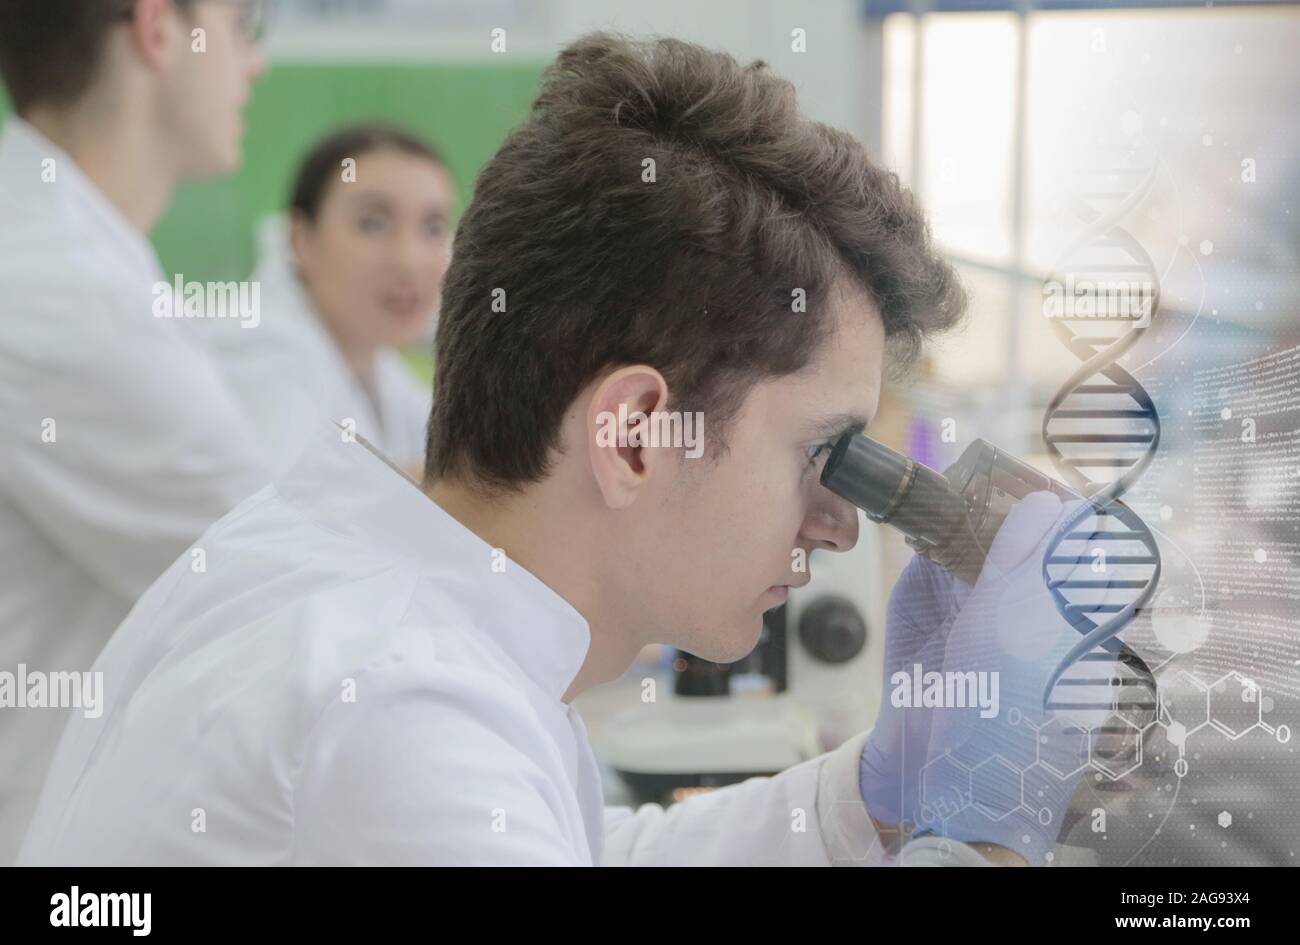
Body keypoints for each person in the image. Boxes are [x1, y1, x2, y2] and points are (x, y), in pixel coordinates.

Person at [19, 33, 1090, 866]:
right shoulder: (403, 702)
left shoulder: (361, 577)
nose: (842, 518)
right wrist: (983, 826)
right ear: (630, 433)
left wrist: (870, 799)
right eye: (823, 451)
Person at [0, 0, 268, 862]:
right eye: (241, 23)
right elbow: (273, 568)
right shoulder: (59, 284)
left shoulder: (69, 247)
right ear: (160, 29)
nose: (254, 65)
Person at [208, 124, 454, 474]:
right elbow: (293, 509)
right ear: (301, 239)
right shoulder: (259, 352)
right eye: (374, 224)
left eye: (432, 228)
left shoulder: (375, 362)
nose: (409, 261)